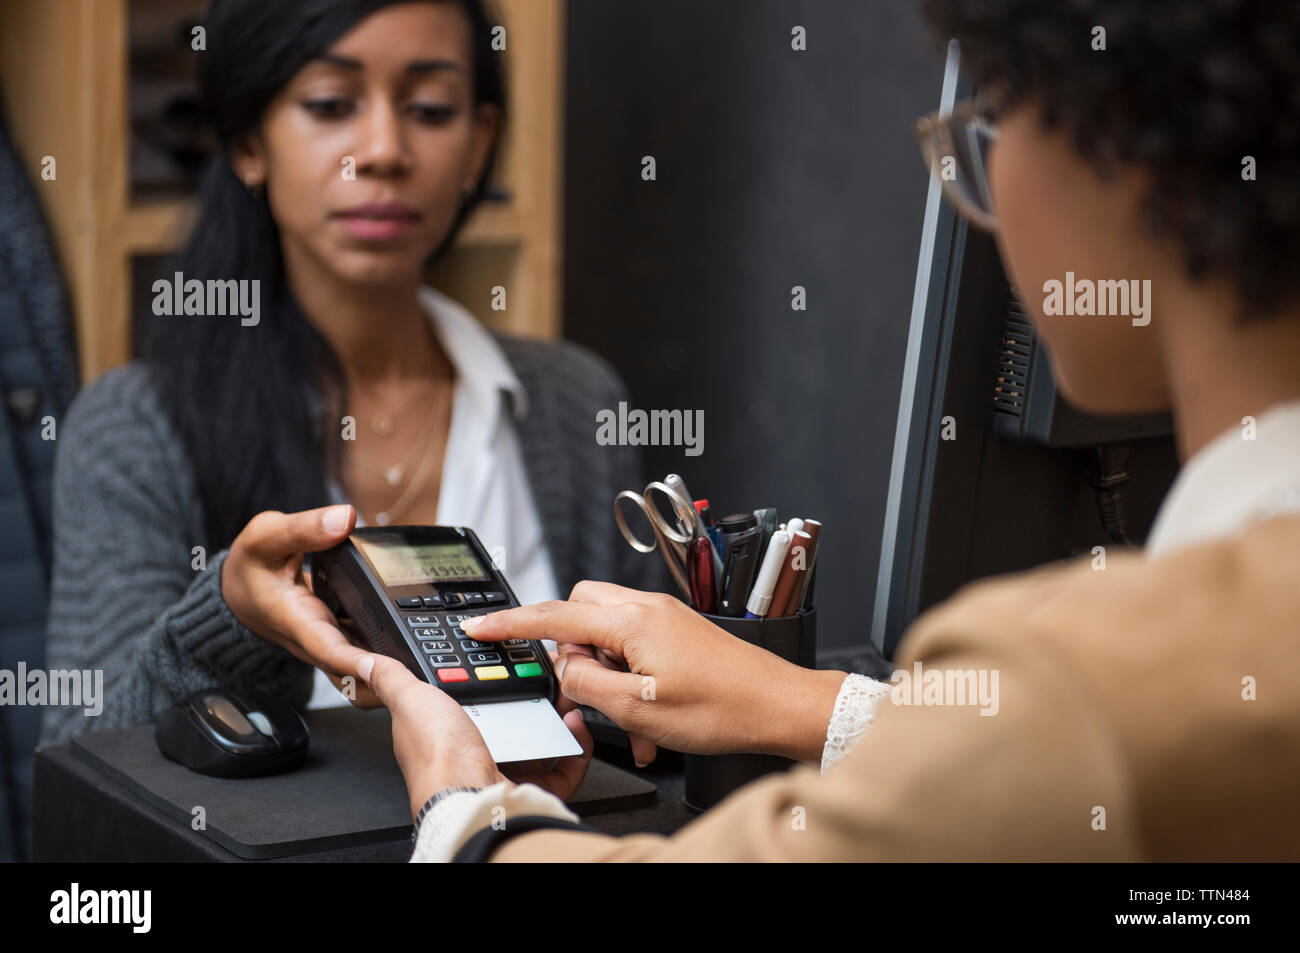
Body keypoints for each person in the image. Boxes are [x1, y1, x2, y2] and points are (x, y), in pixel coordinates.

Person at [358, 0, 1300, 861]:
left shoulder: (1095, 688)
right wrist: (806, 703)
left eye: (995, 126)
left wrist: (468, 810)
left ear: (1125, 155)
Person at [39, 0, 653, 746]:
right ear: (249, 143)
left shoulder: (576, 403)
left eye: (429, 108)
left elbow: (644, 732)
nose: (384, 149)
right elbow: (84, 761)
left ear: (477, 142)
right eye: (331, 104)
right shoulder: (133, 427)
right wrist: (233, 620)